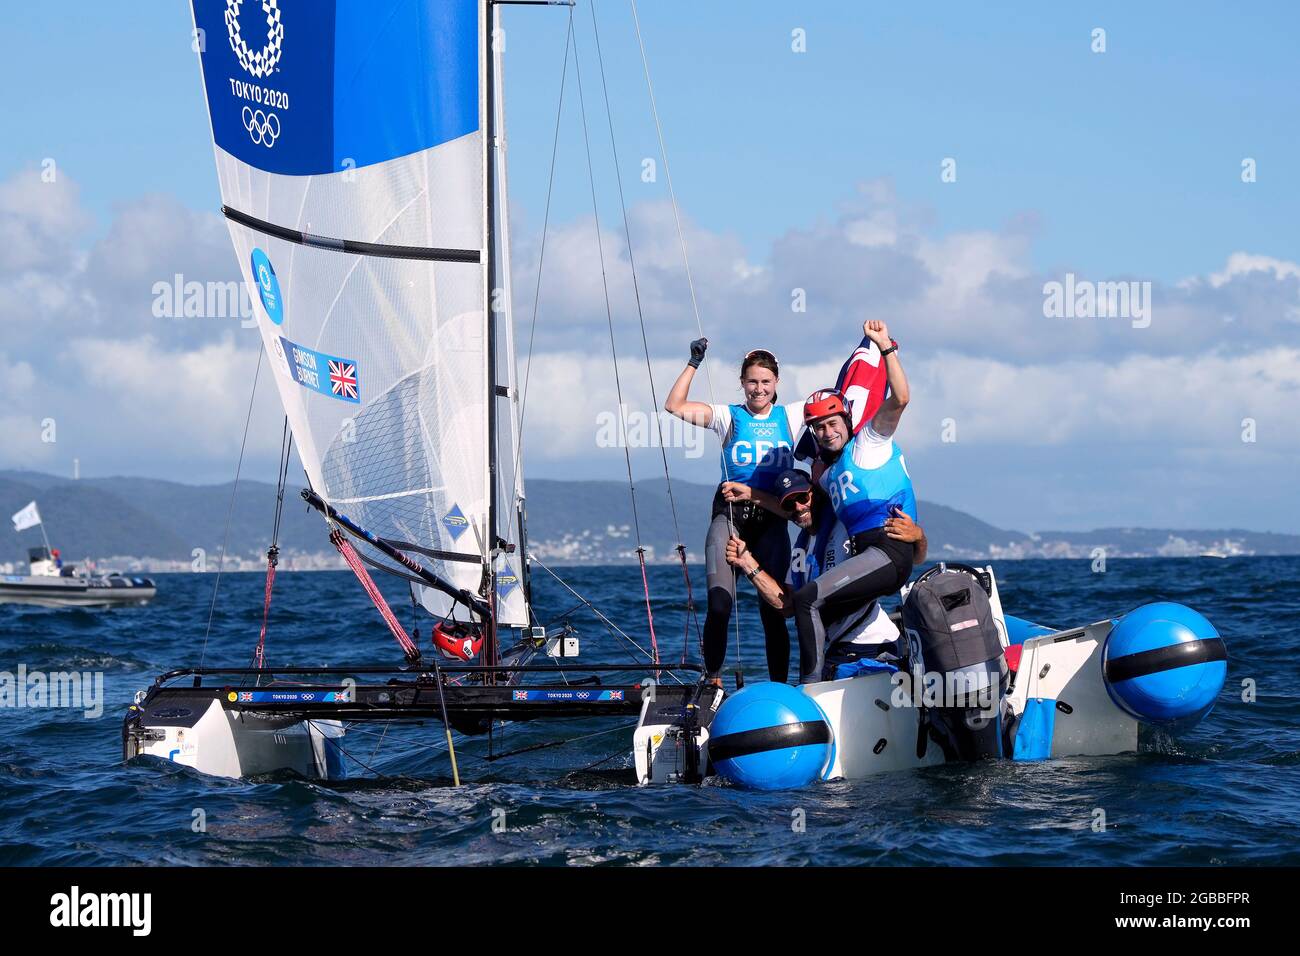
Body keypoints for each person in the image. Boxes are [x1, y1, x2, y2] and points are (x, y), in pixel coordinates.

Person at [665, 340, 805, 684]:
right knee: (719, 606)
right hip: (730, 518)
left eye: (766, 382)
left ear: (776, 384)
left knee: (775, 611)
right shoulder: (729, 416)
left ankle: (778, 690)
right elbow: (674, 405)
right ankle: (712, 681)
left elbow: (844, 401)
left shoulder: (791, 415)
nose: (759, 389)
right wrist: (694, 362)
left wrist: (876, 348)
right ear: (743, 383)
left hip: (771, 521)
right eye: (752, 382)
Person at [793, 320, 917, 684]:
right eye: (819, 428)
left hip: (888, 552)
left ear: (847, 421)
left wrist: (886, 348)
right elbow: (808, 519)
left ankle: (810, 692)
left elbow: (901, 398)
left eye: (833, 423)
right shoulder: (828, 475)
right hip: (870, 557)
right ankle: (848, 676)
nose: (828, 432)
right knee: (823, 610)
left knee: (807, 601)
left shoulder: (869, 442)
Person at [725, 469, 928, 680]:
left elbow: (912, 559)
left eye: (802, 497)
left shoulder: (845, 525)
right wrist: (747, 563)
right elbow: (787, 607)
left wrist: (918, 536)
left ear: (815, 495)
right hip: (837, 649)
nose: (798, 507)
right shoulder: (799, 552)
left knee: (813, 687)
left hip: (874, 643)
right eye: (789, 504)